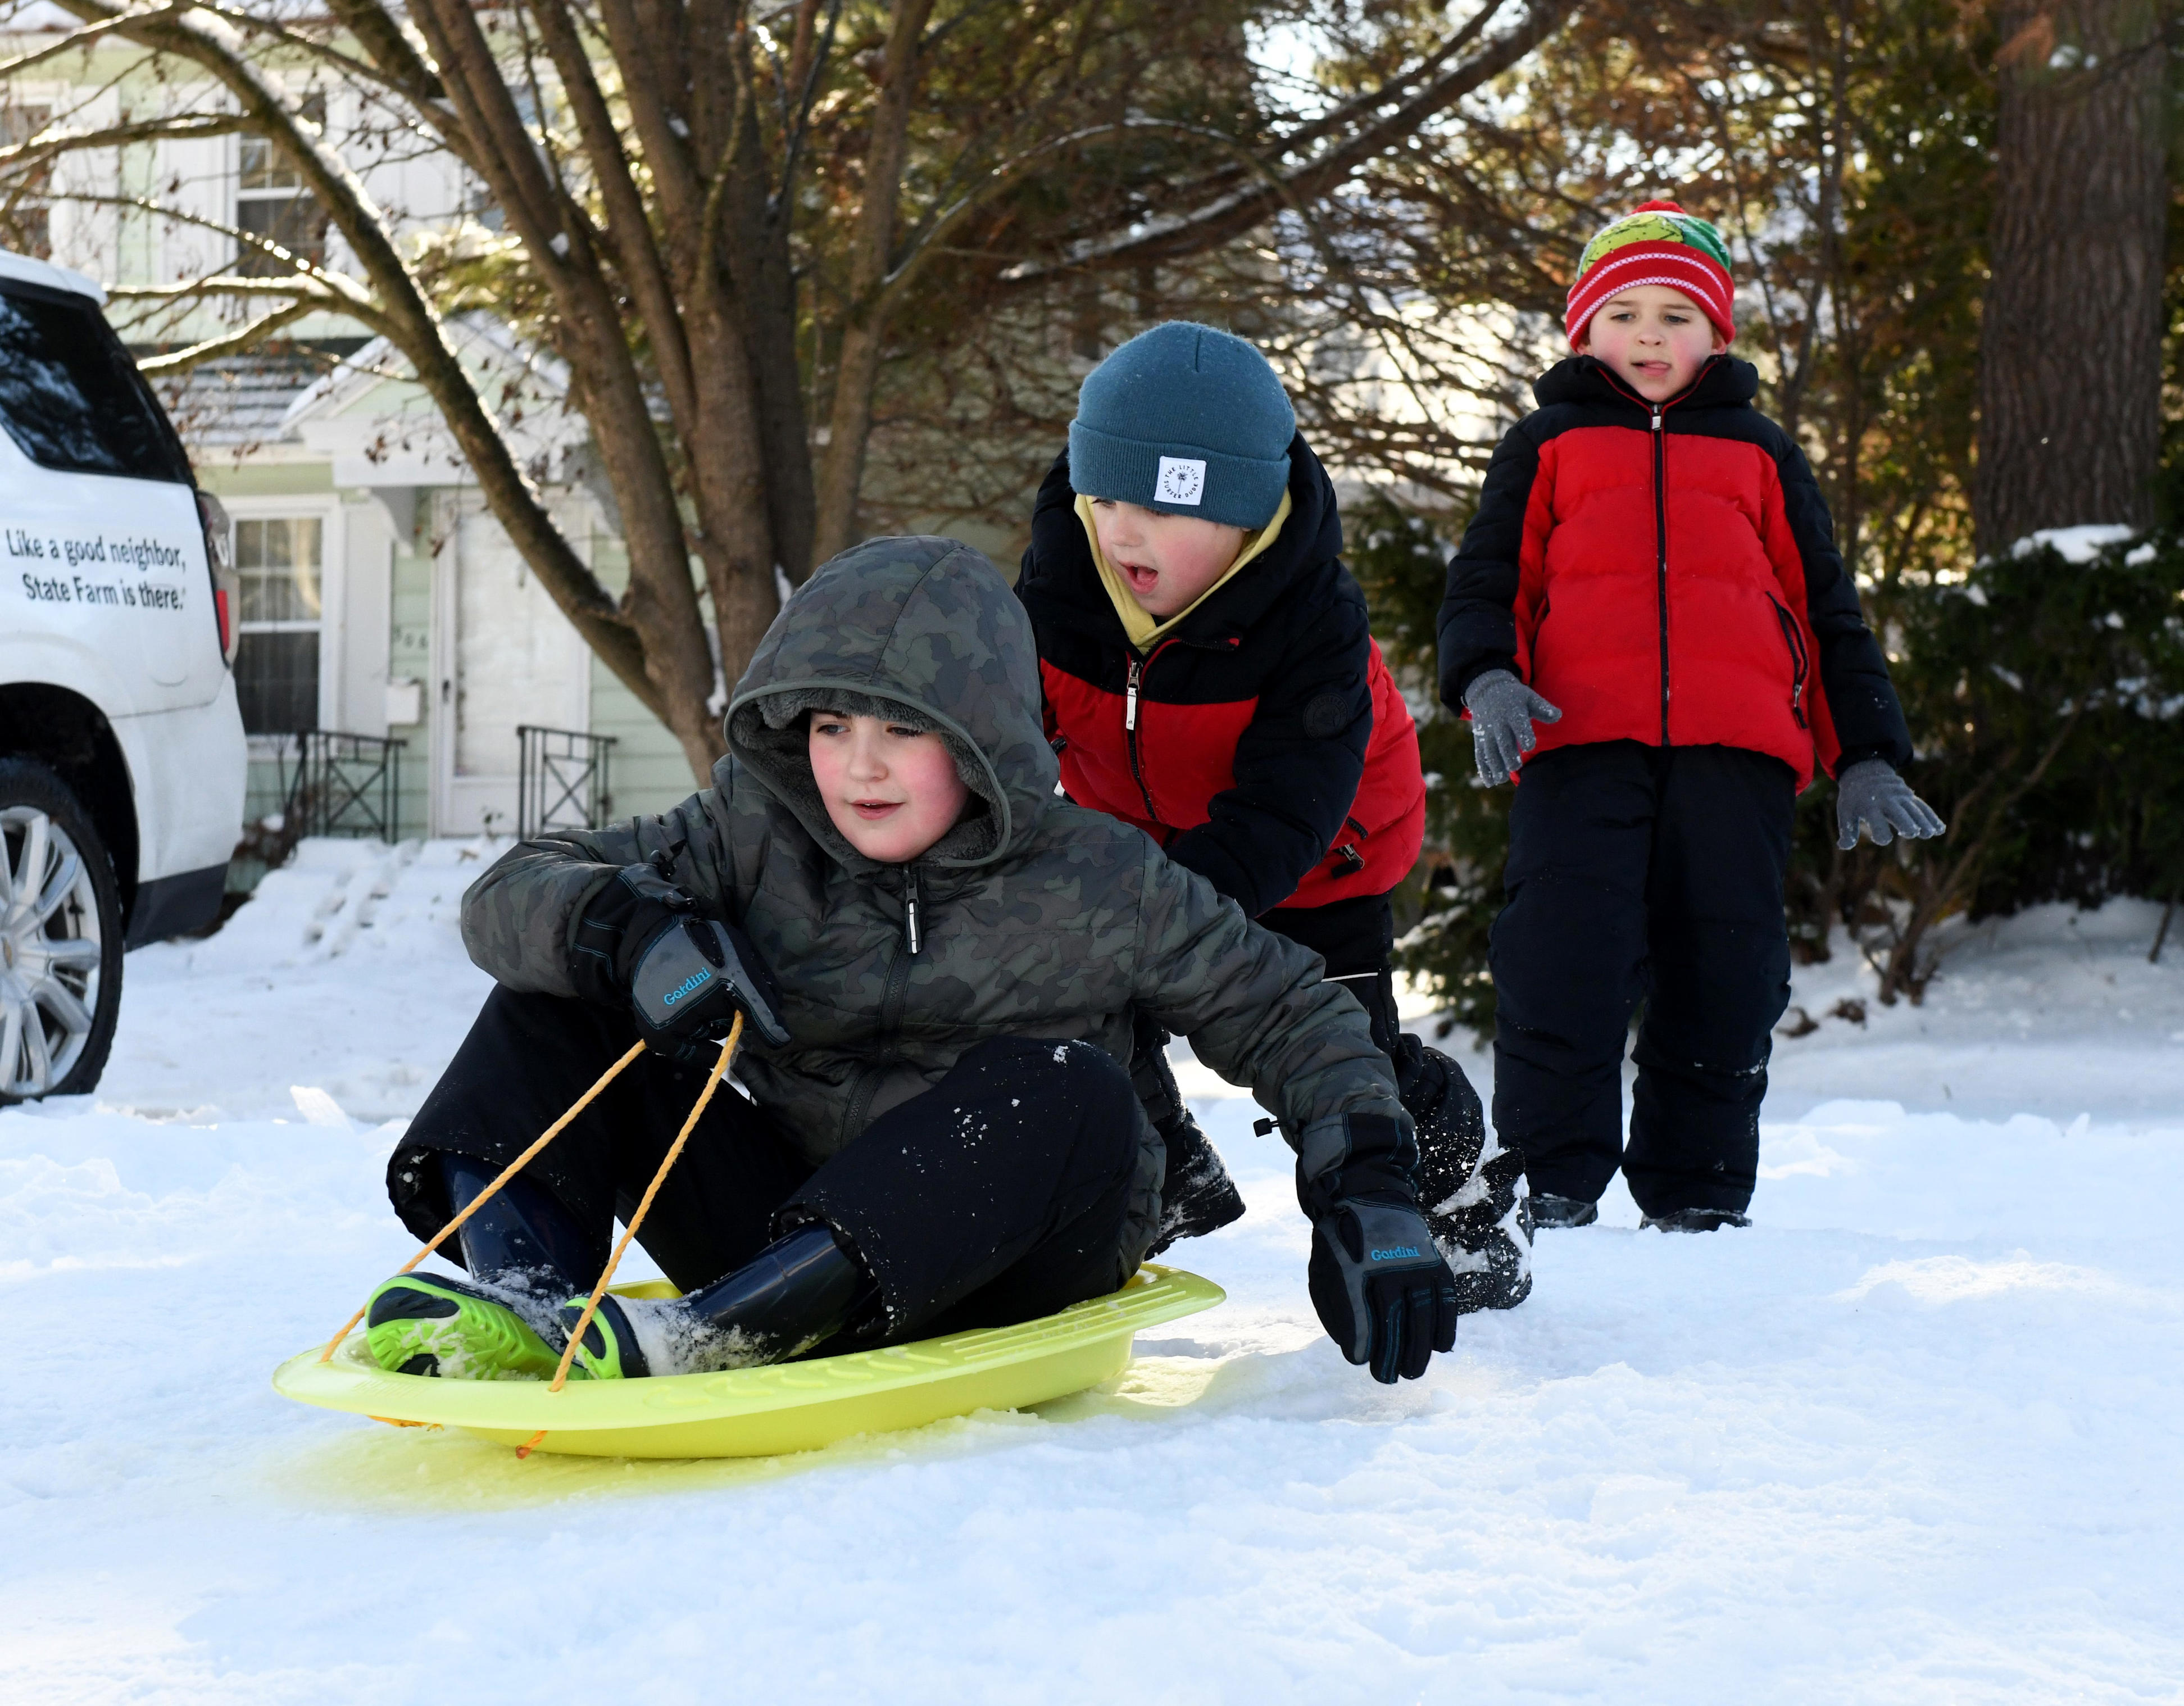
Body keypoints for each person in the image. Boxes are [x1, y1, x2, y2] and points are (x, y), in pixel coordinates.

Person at [361, 534, 1463, 1388]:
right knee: (560, 983)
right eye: (832, 727)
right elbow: (511, 890)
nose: (860, 768)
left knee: (1067, 1087)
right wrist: (632, 932)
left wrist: (1372, 1193)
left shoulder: (1095, 876)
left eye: (903, 730)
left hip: (1016, 1254)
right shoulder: (753, 837)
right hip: (787, 1238)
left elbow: (1286, 1009)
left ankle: (707, 1339)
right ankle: (532, 1304)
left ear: (980, 735)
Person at [1436, 199, 1945, 1234]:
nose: (1651, 335)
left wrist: (1867, 754)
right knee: (1561, 961)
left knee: (1725, 968)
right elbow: (1489, 579)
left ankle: (1702, 1192)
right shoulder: (1547, 444)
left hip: (1737, 759)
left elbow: (1825, 612)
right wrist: (1485, 676)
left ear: (1719, 334)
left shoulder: (1760, 453)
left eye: (1678, 313)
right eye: (1624, 313)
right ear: (1585, 331)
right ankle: (1553, 1184)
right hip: (1576, 746)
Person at [1016, 320, 1531, 1310]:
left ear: (1244, 520)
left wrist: (1164, 924)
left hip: (1318, 856)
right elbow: (1007, 728)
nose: (1120, 531)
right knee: (1065, 994)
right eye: (1104, 497)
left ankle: (1456, 1202)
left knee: (1340, 1054)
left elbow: (1287, 807)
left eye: (1156, 510)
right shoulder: (1060, 584)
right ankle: (1163, 1172)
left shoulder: (1311, 622)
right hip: (1147, 843)